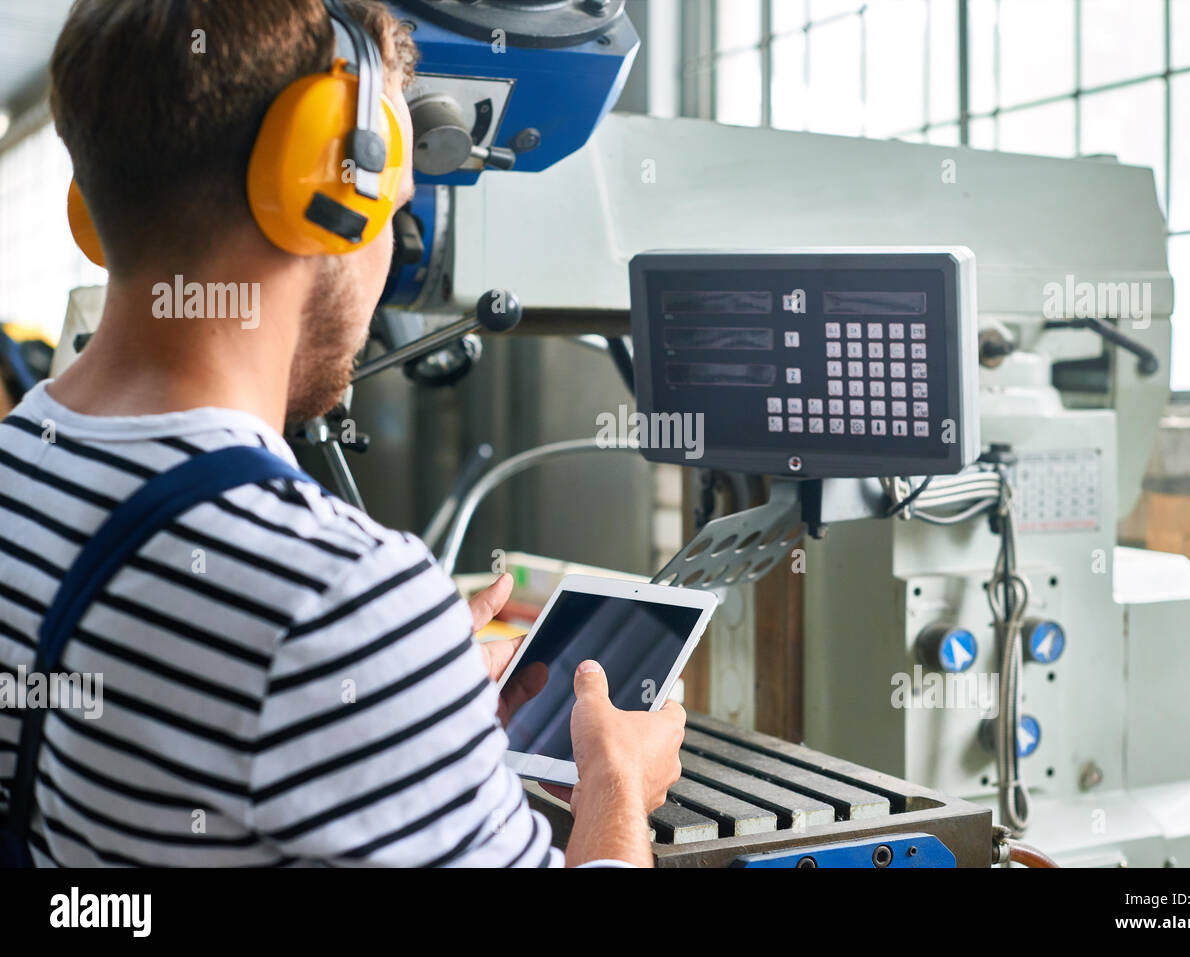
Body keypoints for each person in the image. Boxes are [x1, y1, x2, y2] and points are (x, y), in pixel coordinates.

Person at [0, 0, 684, 867]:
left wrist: (405, 698)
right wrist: (616, 783)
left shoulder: (21, 473)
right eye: (390, 213)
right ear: (322, 196)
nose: (385, 258)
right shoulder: (334, 601)